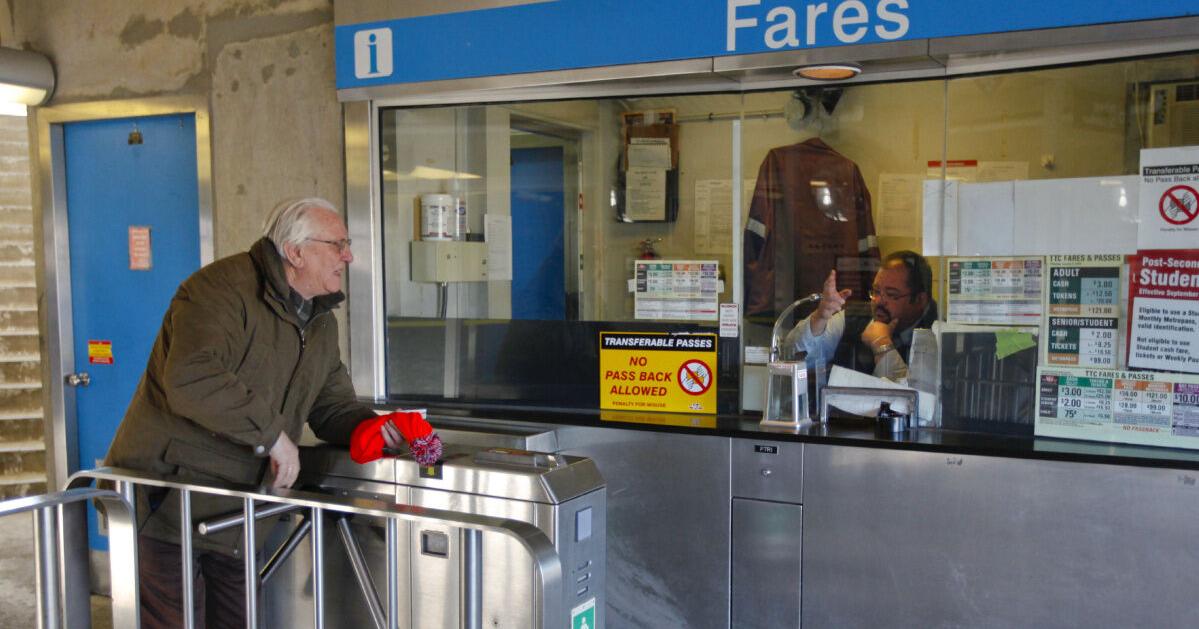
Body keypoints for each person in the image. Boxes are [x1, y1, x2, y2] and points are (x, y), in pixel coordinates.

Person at [105, 197, 402, 628]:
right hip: (169, 501)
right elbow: (192, 377)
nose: (348, 257)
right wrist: (273, 437)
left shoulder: (320, 320)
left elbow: (330, 407)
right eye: (337, 245)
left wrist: (377, 429)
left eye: (347, 245)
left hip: (239, 510)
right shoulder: (219, 290)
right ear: (295, 252)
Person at [787, 250, 938, 382]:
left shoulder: (938, 332)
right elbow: (794, 359)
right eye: (876, 292)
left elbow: (913, 398)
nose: (879, 301)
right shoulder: (853, 318)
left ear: (920, 300)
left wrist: (882, 344)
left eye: (891, 294)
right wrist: (820, 318)